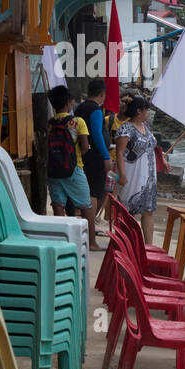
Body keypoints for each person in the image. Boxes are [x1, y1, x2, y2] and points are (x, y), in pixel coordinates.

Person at [46, 85, 100, 249]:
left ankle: (62, 242)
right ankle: (91, 242)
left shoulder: (50, 124)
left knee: (58, 205)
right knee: (85, 206)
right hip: (74, 168)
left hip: (53, 170)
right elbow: (84, 146)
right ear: (69, 102)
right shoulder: (77, 122)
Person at [115, 96, 160, 243]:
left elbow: (152, 147)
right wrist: (122, 175)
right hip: (132, 174)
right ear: (139, 111)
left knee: (148, 210)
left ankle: (148, 245)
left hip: (148, 175)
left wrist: (163, 161)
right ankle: (126, 243)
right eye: (147, 109)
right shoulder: (126, 128)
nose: (149, 112)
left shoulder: (146, 127)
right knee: (129, 210)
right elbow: (120, 153)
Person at [72, 78, 110, 247]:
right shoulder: (95, 110)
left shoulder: (79, 107)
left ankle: (87, 229)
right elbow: (96, 134)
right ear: (102, 94)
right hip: (94, 156)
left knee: (88, 191)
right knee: (94, 193)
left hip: (81, 154)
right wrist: (106, 156)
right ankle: (90, 231)